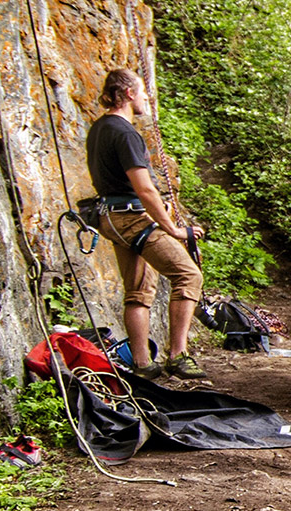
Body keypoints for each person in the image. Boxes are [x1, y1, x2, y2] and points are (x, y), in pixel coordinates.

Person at [86, 69, 207, 380]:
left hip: (110, 217)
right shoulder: (125, 133)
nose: (144, 99)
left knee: (138, 291)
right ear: (127, 93)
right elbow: (144, 189)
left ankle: (143, 364)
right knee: (188, 275)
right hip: (131, 217)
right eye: (141, 93)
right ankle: (178, 356)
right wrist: (174, 229)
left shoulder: (100, 128)